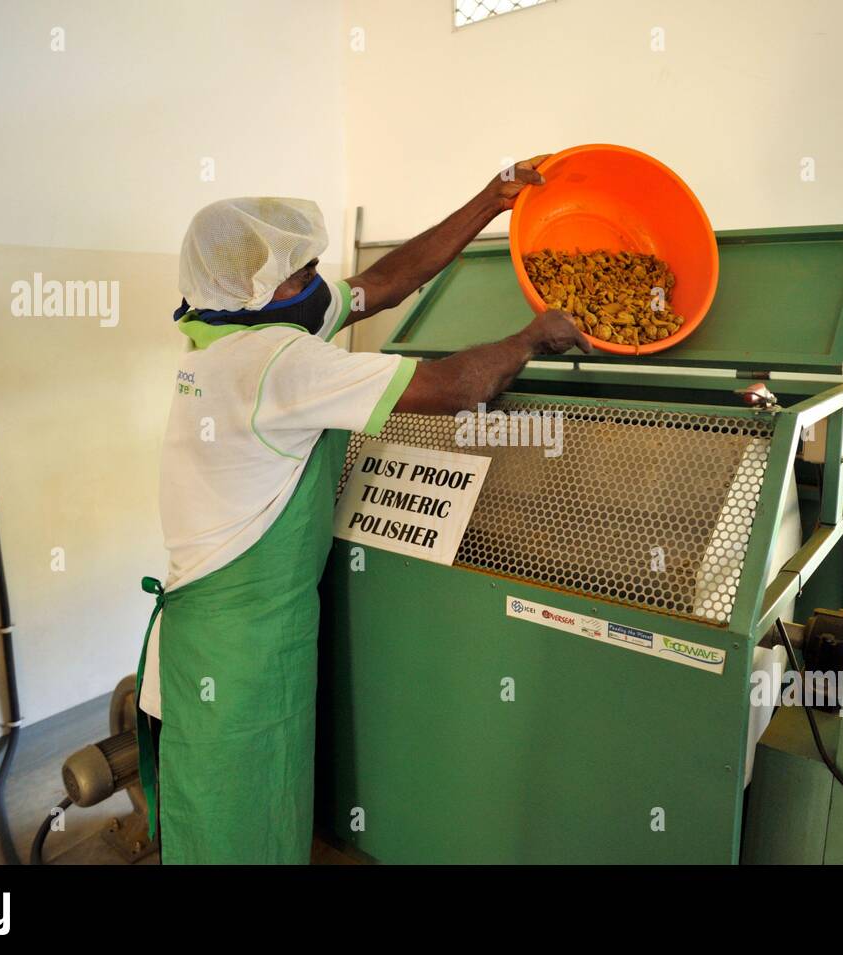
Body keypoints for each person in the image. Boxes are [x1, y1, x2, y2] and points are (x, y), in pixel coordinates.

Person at [134, 156, 590, 863]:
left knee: (245, 800)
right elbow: (457, 387)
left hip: (213, 623)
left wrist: (489, 202)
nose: (317, 280)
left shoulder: (218, 330)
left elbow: (382, 283)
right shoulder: (277, 363)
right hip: (242, 643)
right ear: (260, 286)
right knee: (238, 814)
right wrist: (531, 337)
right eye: (301, 269)